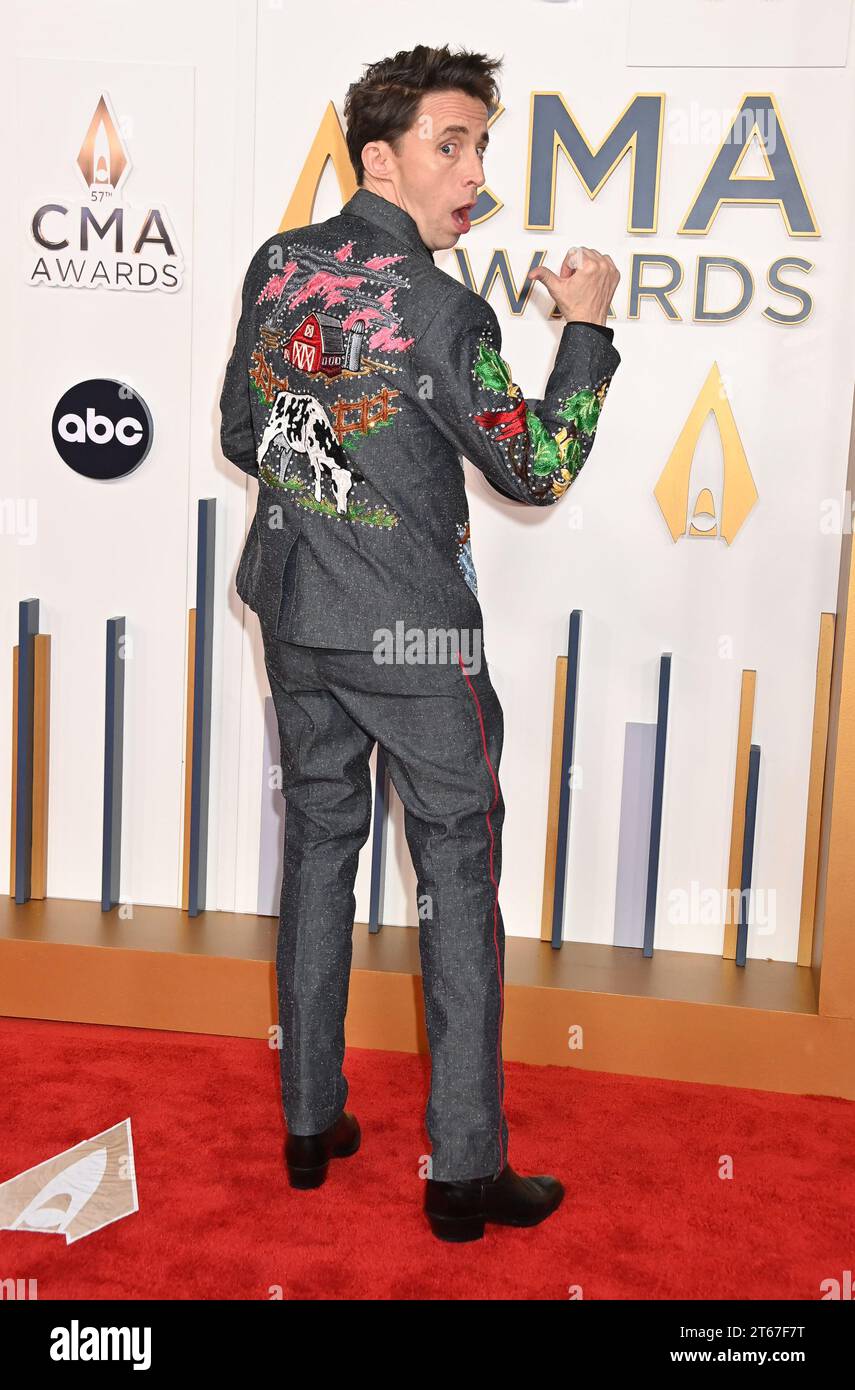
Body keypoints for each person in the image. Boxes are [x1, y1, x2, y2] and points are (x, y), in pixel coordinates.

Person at [219, 43, 621, 1242]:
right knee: (456, 878)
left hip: (293, 612)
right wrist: (588, 332)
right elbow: (538, 467)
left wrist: (335, 490)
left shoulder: (280, 264)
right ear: (380, 157)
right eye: (451, 144)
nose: (473, 171)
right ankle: (462, 1170)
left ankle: (309, 1119)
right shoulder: (441, 308)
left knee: (319, 852)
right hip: (409, 635)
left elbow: (245, 433)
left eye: (483, 145)